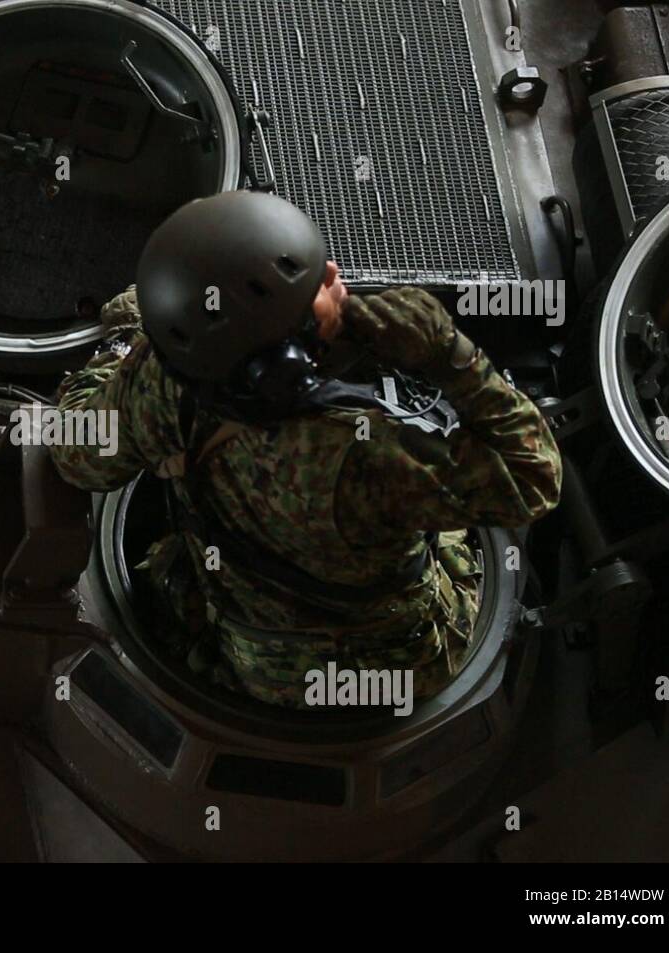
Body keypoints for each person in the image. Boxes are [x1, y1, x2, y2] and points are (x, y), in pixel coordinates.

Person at [49, 191, 562, 708]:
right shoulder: (369, 454)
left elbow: (75, 457)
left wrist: (128, 345)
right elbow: (534, 478)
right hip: (400, 670)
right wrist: (450, 353)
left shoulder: (165, 381)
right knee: (456, 542)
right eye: (321, 283)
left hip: (258, 664)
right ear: (291, 351)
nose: (336, 273)